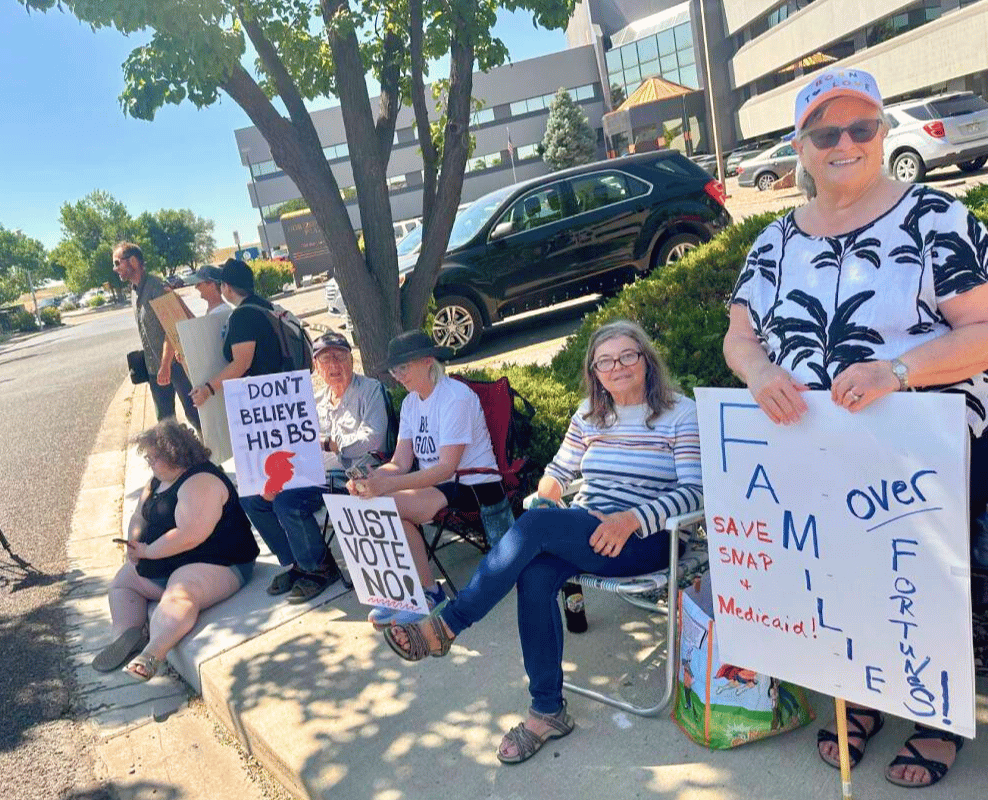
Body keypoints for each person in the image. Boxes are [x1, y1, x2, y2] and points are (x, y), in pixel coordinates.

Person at [723, 68, 988, 789]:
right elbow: (738, 336)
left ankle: (936, 715)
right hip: (815, 446)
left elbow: (986, 330)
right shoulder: (774, 241)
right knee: (840, 578)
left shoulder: (938, 217)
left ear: (882, 133)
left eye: (862, 128)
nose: (845, 143)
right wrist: (759, 373)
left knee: (924, 579)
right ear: (801, 148)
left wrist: (897, 372)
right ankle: (864, 696)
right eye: (825, 133)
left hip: (928, 444)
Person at [380, 321, 702, 765]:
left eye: (628, 356)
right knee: (533, 570)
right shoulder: (590, 413)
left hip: (649, 538)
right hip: (591, 529)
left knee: (533, 529)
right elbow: (559, 473)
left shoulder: (680, 413)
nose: (618, 367)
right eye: (605, 361)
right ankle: (547, 710)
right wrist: (547, 494)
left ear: (646, 359)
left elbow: (695, 491)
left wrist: (631, 519)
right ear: (595, 371)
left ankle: (447, 624)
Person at [347, 330, 502, 628]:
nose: (398, 375)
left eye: (403, 367)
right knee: (374, 502)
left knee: (386, 504)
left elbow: (446, 467)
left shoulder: (454, 397)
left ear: (428, 361)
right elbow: (401, 462)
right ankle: (413, 591)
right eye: (394, 369)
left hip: (475, 483)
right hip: (438, 484)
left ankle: (428, 594)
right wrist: (372, 477)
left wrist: (387, 486)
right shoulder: (410, 404)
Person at [93, 419, 259, 681]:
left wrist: (147, 552)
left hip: (218, 562)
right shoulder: (157, 480)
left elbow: (189, 536)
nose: (149, 462)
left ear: (175, 454)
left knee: (181, 591)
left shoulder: (201, 480)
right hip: (164, 562)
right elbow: (140, 515)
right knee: (123, 582)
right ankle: (126, 637)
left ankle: (152, 653)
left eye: (154, 457)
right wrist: (133, 543)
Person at [241, 332, 391, 603]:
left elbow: (374, 438)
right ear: (316, 367)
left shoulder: (370, 390)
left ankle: (319, 568)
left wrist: (331, 444)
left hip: (353, 474)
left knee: (288, 501)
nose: (334, 365)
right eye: (326, 360)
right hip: (312, 473)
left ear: (351, 359)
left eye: (340, 357)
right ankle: (297, 564)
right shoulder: (313, 400)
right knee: (254, 498)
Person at [113, 242, 201, 430]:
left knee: (195, 415)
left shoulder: (157, 288)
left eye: (117, 263)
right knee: (165, 423)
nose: (115, 269)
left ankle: (209, 455)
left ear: (133, 261)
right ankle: (176, 458)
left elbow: (174, 326)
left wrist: (166, 365)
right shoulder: (135, 291)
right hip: (155, 368)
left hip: (175, 365)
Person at [191, 258, 283, 408]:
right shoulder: (264, 305)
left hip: (266, 397)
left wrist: (208, 389)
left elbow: (242, 363)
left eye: (221, 285)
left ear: (226, 287)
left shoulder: (242, 316)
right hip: (282, 389)